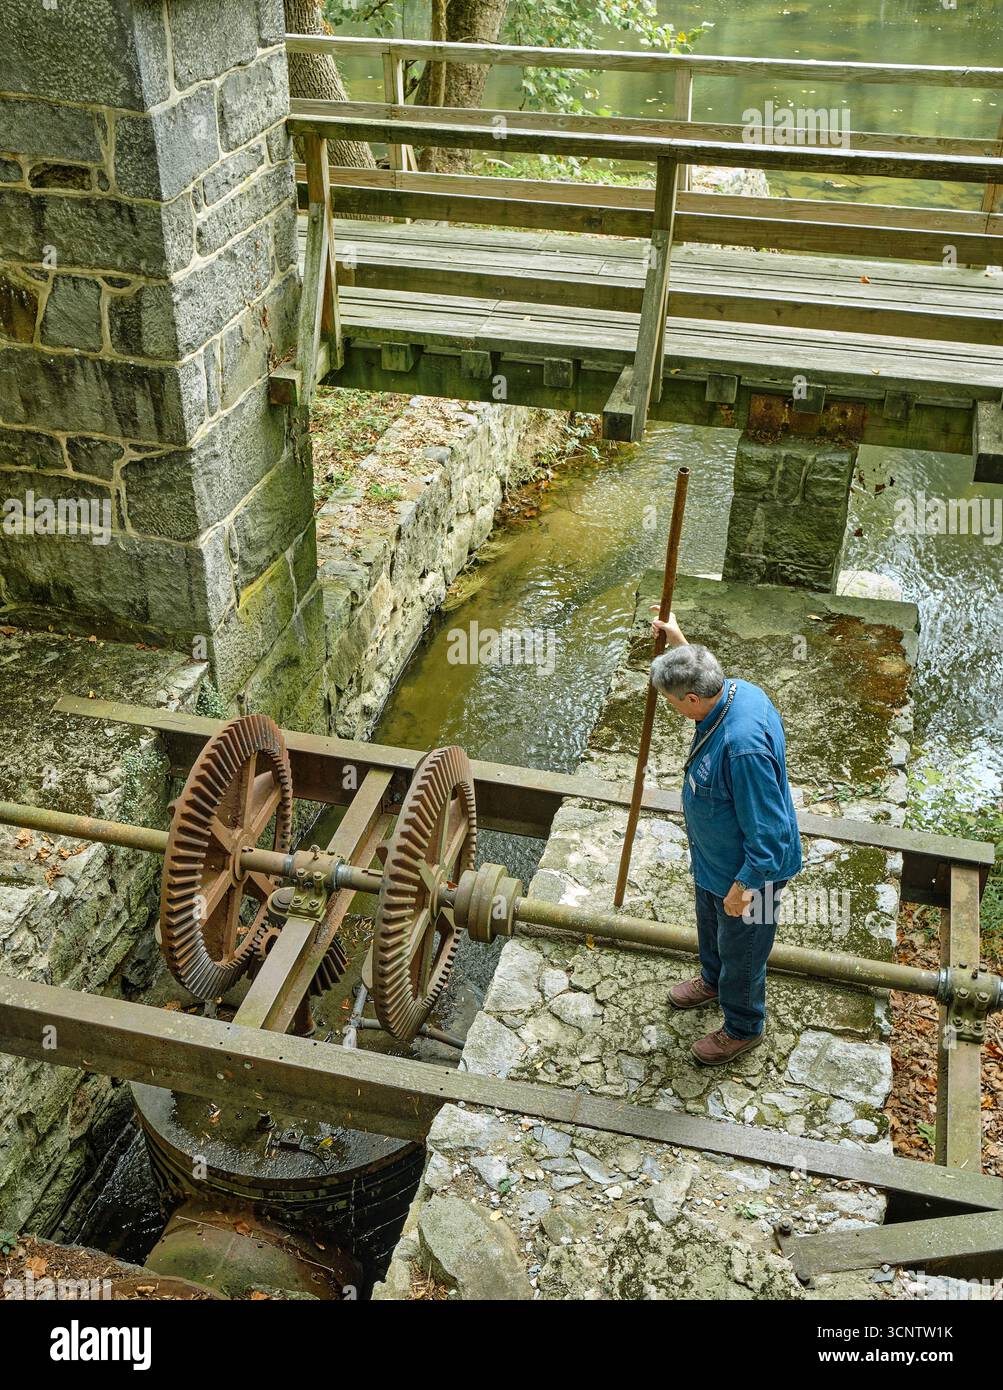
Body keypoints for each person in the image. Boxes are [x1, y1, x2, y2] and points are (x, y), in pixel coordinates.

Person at [649, 607, 802, 1065]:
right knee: (713, 932)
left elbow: (770, 833)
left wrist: (744, 887)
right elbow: (701, 667)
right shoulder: (732, 689)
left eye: (674, 703)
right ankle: (713, 980)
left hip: (748, 873)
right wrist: (679, 641)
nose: (673, 709)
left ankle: (742, 1025)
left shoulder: (742, 749)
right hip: (714, 861)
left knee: (746, 951)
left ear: (693, 700)